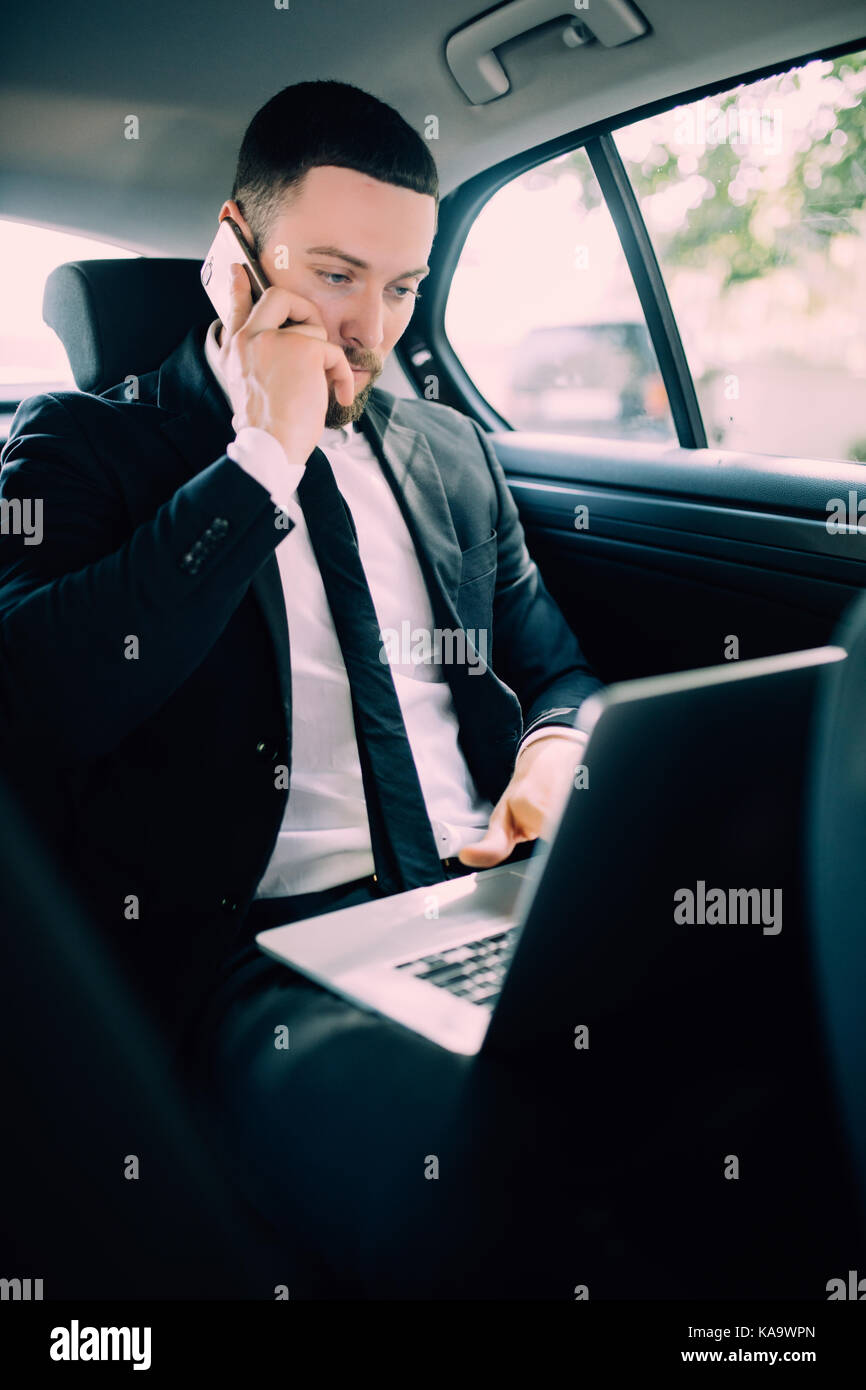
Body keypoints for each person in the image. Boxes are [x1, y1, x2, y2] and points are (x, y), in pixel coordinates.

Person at [0, 81, 609, 1295]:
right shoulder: (80, 444)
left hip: (483, 906)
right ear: (237, 248)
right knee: (497, 1178)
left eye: (400, 287)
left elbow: (558, 671)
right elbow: (40, 705)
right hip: (256, 962)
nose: (367, 329)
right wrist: (260, 454)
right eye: (333, 275)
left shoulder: (445, 449)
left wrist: (551, 758)